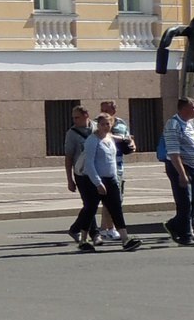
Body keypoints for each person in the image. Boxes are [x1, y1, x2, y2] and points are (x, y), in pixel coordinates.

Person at [77, 114, 142, 252]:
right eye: (102, 124)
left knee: (116, 209)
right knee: (90, 209)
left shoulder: (109, 138)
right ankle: (83, 240)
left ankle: (125, 239)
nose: (105, 127)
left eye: (108, 124)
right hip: (95, 180)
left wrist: (128, 140)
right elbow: (89, 163)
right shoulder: (92, 140)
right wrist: (98, 183)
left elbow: (114, 154)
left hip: (111, 179)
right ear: (98, 125)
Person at [162, 97, 194, 246]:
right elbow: (173, 152)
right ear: (183, 109)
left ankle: (175, 224)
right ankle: (185, 236)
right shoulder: (173, 124)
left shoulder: (191, 123)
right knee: (184, 202)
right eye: (193, 107)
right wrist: (182, 174)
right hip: (180, 166)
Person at [98, 99, 135, 241]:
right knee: (112, 199)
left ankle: (104, 228)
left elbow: (128, 137)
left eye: (106, 110)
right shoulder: (98, 123)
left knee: (116, 199)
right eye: (102, 109)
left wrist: (131, 143)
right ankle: (110, 228)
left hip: (119, 165)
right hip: (105, 165)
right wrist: (122, 139)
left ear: (114, 110)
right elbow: (104, 136)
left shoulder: (120, 123)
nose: (104, 113)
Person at [61, 103, 96, 247]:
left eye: (77, 117)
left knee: (92, 204)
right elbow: (68, 157)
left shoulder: (96, 128)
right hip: (80, 173)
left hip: (96, 171)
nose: (75, 120)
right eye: (73, 118)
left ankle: (76, 229)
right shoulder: (72, 133)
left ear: (86, 115)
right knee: (89, 204)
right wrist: (69, 179)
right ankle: (94, 234)